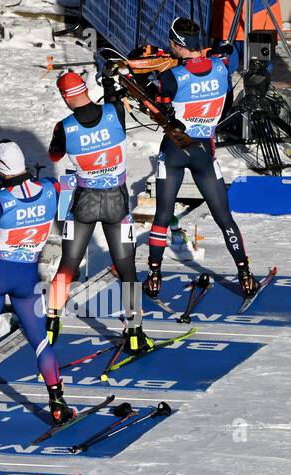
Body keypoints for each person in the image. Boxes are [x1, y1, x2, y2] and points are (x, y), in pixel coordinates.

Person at [143, 17, 259, 301]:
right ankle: (244, 274)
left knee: (161, 215)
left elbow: (156, 105)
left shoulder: (171, 75)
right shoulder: (221, 67)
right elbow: (228, 103)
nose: (169, 46)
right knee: (224, 217)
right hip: (204, 152)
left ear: (179, 45)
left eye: (172, 42)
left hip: (173, 151)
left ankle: (154, 276)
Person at [0, 140, 69, 422]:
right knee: (41, 343)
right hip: (28, 276)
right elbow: (63, 186)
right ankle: (57, 401)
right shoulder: (50, 188)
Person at [47, 68, 145, 353]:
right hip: (117, 202)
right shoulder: (115, 110)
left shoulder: (64, 126)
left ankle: (51, 326)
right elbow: (114, 97)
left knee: (68, 263)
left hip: (84, 202)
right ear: (85, 90)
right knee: (127, 269)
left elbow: (54, 154)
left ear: (66, 97)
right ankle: (135, 331)